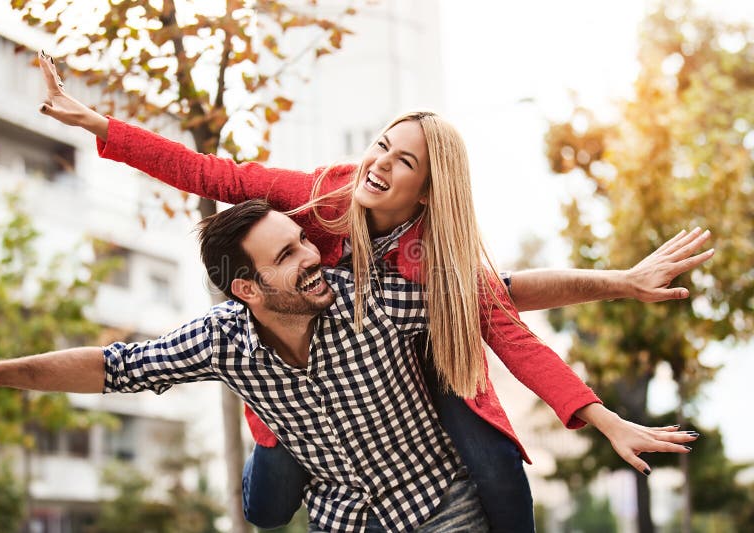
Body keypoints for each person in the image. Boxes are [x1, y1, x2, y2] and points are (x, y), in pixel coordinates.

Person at [36, 51, 713, 531]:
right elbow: (211, 174)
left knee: (498, 463)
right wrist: (100, 127)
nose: (380, 165)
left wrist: (600, 415)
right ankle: (274, 440)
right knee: (267, 509)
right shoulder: (323, 193)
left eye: (404, 161)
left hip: (399, 377)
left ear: (429, 187)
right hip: (300, 386)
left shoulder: (438, 261)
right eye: (382, 147)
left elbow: (510, 326)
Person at [0, 201, 699, 532]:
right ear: (246, 289)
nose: (311, 255)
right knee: (263, 501)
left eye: (302, 242)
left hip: (441, 507)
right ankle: (268, 434)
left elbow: (499, 297)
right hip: (343, 519)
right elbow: (108, 366)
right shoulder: (221, 338)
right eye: (286, 255)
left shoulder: (369, 299)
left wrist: (621, 278)